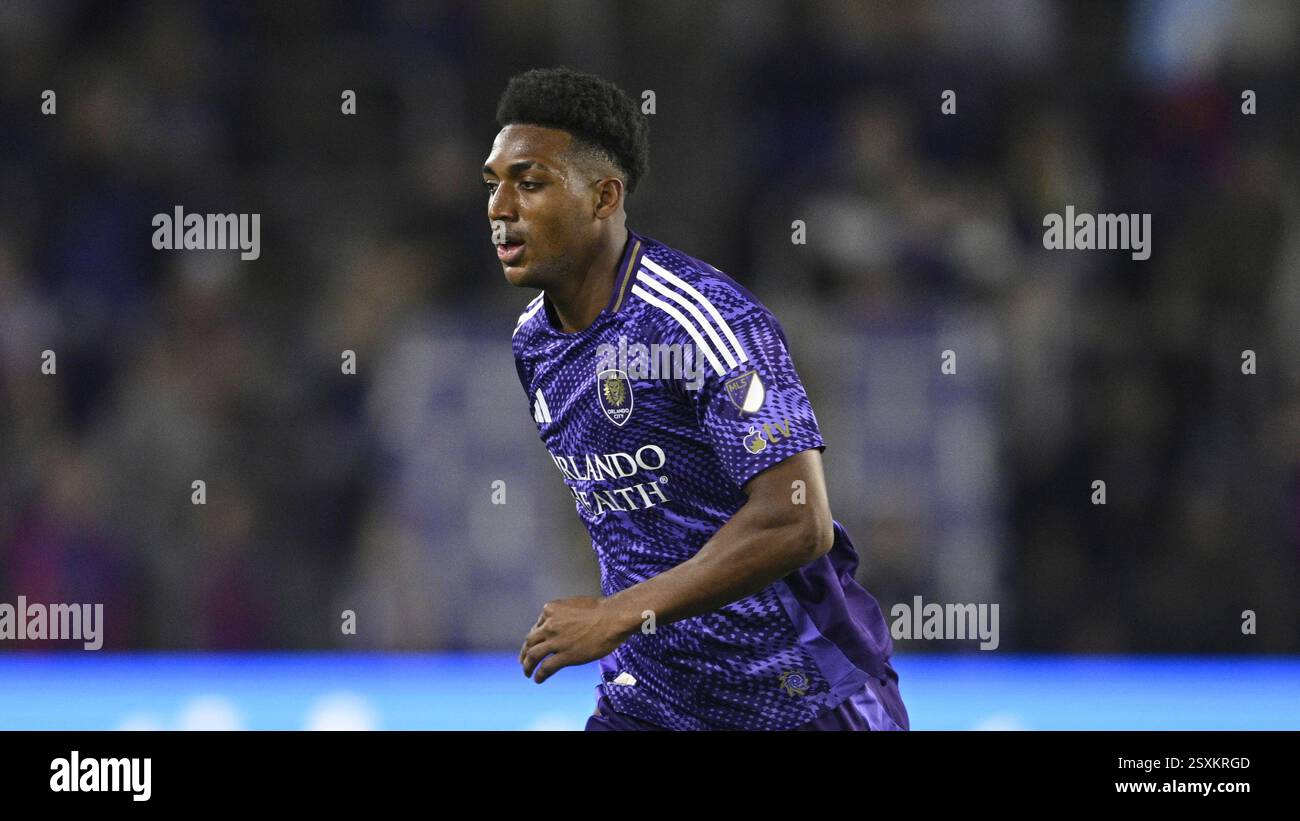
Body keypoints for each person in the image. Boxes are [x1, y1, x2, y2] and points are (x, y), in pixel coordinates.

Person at [486, 67, 909, 731]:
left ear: (602, 198)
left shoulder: (700, 318)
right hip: (653, 703)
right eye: (495, 184)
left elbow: (798, 520)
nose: (500, 208)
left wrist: (621, 612)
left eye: (529, 183)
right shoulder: (534, 344)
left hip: (798, 700)